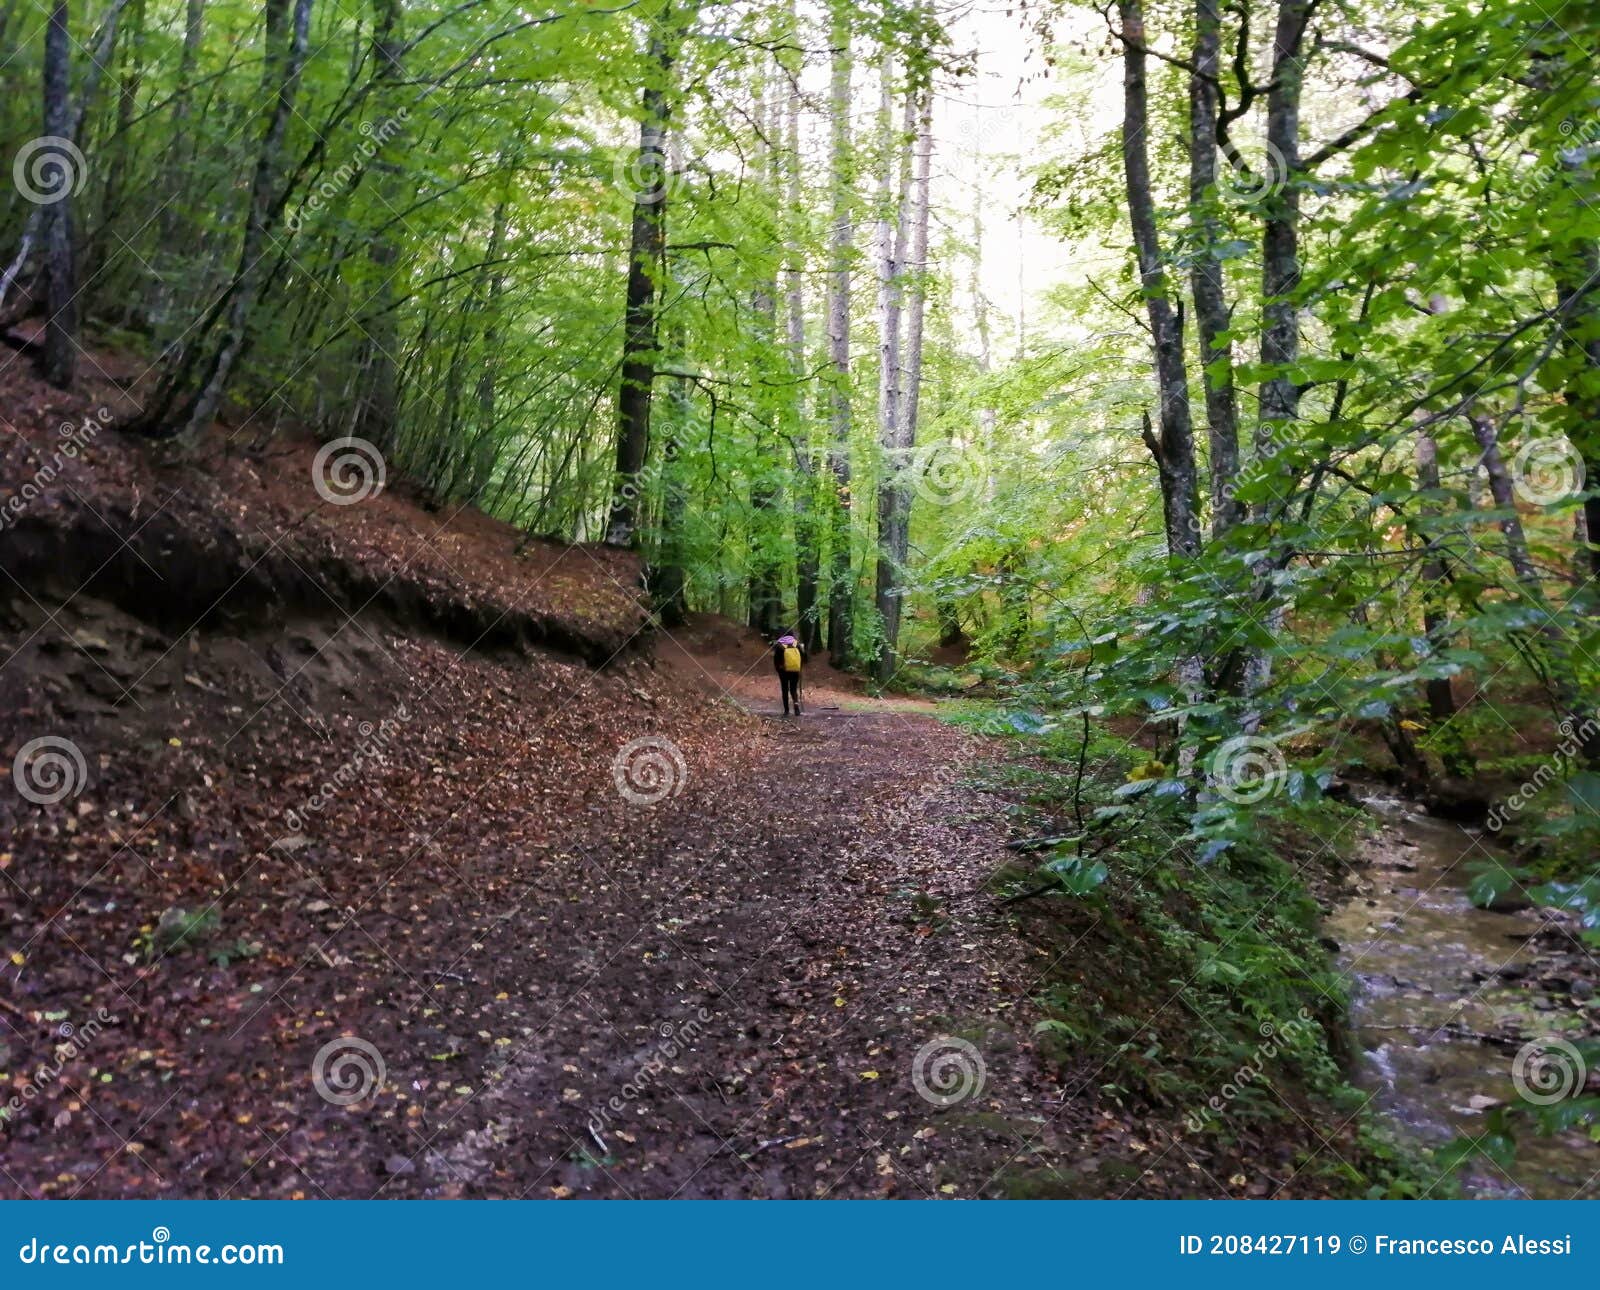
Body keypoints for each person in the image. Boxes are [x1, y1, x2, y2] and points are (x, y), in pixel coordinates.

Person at [772, 632, 805, 716]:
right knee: (793, 689)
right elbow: (804, 657)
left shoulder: (779, 646)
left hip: (783, 671)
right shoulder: (796, 644)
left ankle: (786, 710)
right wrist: (800, 667)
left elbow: (776, 660)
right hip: (795, 670)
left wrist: (778, 669)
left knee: (785, 689)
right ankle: (796, 707)